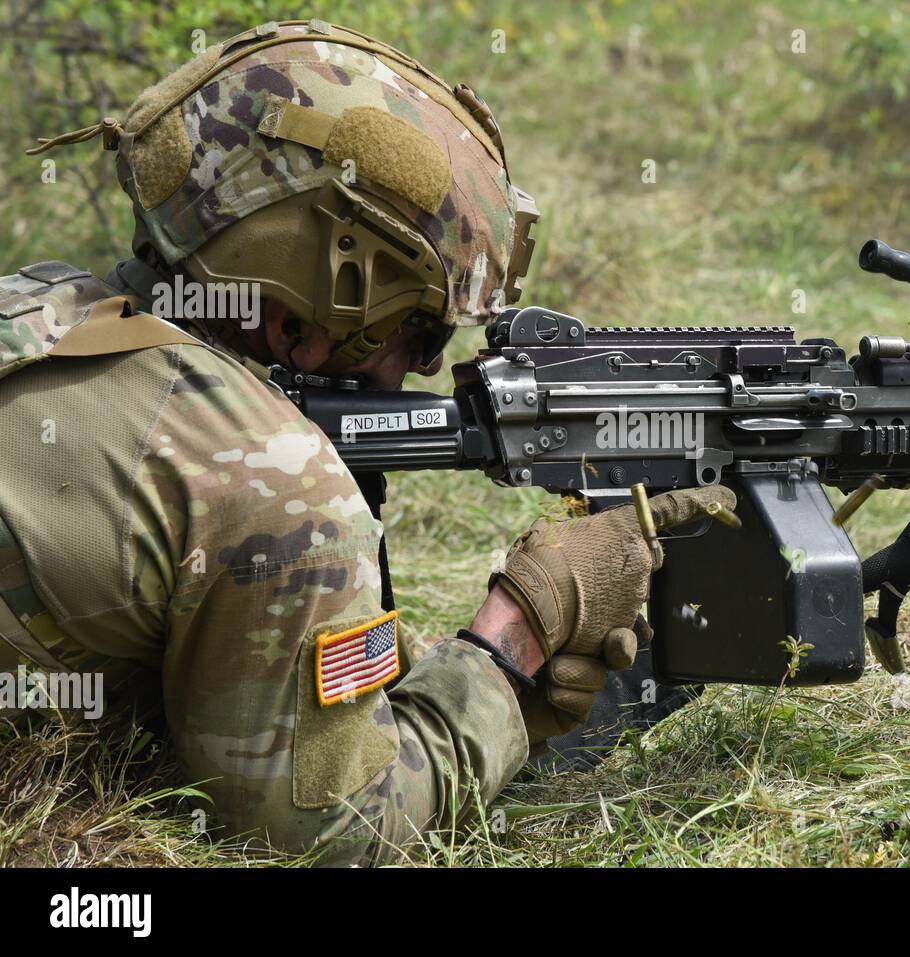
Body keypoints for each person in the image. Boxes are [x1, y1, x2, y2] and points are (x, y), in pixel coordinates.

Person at [0, 19, 733, 865]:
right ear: (306, 316)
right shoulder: (266, 477)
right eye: (420, 333)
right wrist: (511, 638)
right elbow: (333, 839)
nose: (428, 364)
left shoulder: (39, 306)